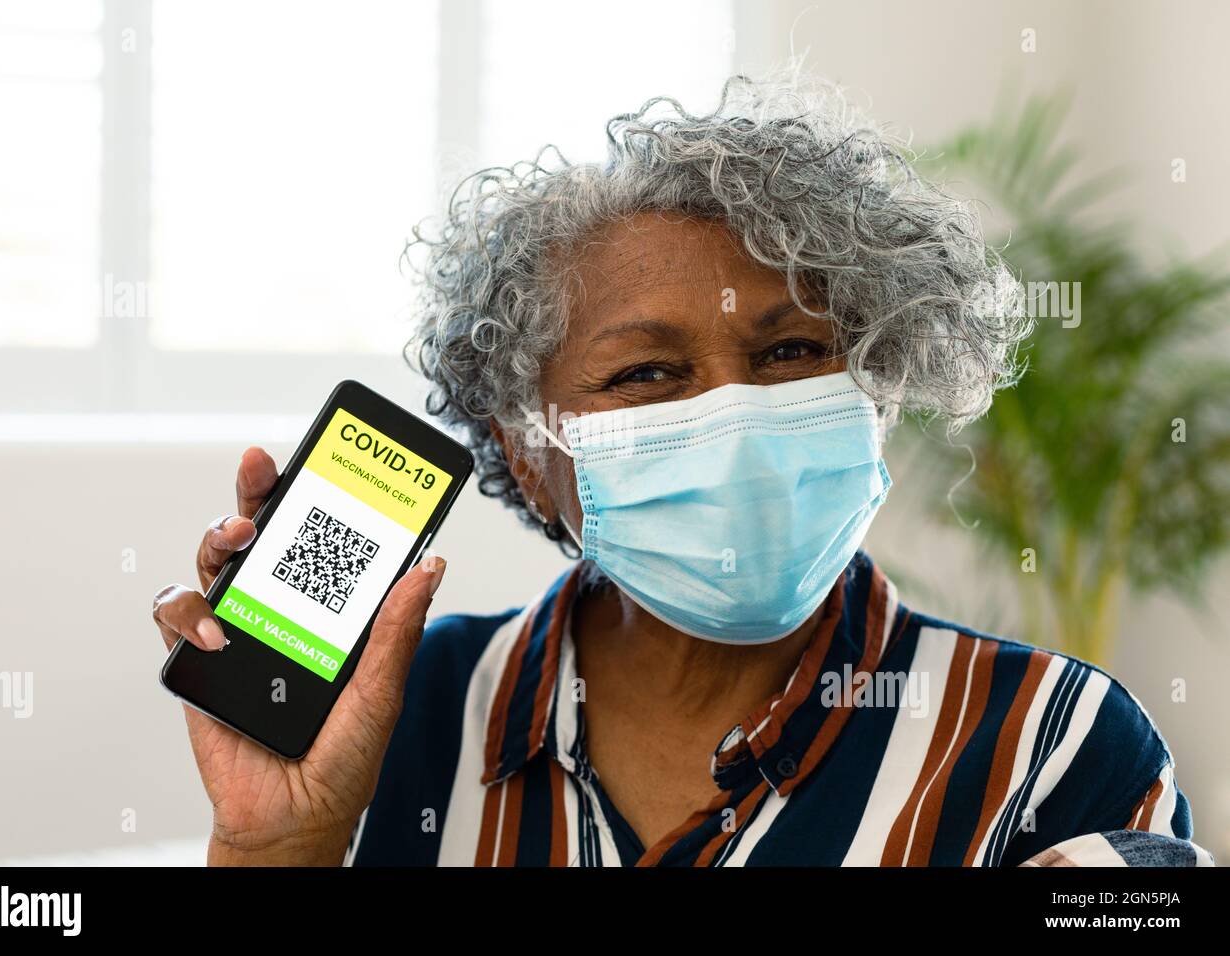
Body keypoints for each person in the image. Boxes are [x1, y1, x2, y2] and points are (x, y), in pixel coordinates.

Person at [152, 73, 1211, 866]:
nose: (734, 413)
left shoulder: (1056, 743)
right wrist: (277, 847)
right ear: (529, 452)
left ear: (877, 385)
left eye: (791, 351)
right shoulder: (401, 715)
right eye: (648, 370)